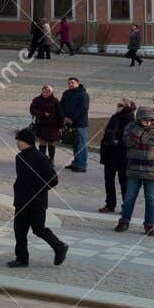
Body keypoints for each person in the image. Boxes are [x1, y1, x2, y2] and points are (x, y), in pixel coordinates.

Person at [8, 126, 67, 268]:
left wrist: (36, 190)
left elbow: (53, 179)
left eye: (19, 140)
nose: (17, 143)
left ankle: (60, 247)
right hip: (22, 200)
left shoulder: (41, 157)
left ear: (25, 141)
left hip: (37, 202)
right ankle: (22, 258)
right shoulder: (20, 157)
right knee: (19, 230)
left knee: (38, 229)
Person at [116, 103, 154, 235]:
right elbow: (128, 143)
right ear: (138, 119)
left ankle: (149, 225)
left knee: (151, 199)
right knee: (129, 198)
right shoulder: (130, 127)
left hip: (152, 172)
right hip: (133, 170)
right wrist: (139, 130)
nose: (148, 122)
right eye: (144, 119)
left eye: (150, 119)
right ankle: (124, 221)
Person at [97, 96, 134, 214]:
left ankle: (126, 206)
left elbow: (130, 139)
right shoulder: (114, 117)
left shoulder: (131, 120)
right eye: (118, 104)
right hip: (109, 154)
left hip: (123, 156)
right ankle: (110, 204)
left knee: (124, 182)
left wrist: (119, 142)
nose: (117, 107)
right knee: (109, 180)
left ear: (127, 108)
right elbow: (107, 133)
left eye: (121, 105)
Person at [59, 76, 90, 171]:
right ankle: (76, 162)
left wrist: (72, 118)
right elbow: (61, 105)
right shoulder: (66, 93)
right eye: (69, 83)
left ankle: (82, 165)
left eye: (72, 82)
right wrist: (64, 117)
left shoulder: (83, 94)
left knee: (81, 144)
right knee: (75, 144)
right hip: (69, 122)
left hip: (80, 123)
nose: (70, 84)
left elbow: (83, 108)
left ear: (78, 83)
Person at [29, 84, 62, 160]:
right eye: (44, 91)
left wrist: (60, 126)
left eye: (48, 91)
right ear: (42, 91)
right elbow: (32, 110)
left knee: (52, 143)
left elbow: (60, 114)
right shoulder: (37, 99)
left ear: (51, 92)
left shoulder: (55, 101)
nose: (46, 93)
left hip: (53, 125)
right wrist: (43, 114)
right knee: (42, 142)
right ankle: (42, 159)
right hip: (41, 124)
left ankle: (51, 159)